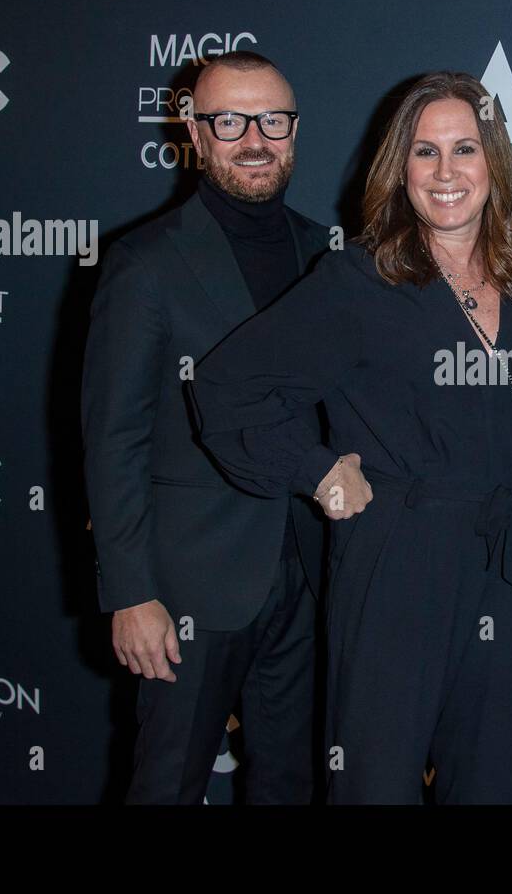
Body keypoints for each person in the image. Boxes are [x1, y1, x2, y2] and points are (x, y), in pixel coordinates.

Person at [190, 71, 512, 804]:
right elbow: (226, 388)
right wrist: (315, 469)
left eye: (465, 149)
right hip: (399, 567)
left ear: (495, 163)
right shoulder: (360, 282)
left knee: (489, 785)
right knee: (374, 784)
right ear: (399, 170)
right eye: (424, 152)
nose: (445, 172)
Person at [82, 50, 331, 804]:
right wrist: (131, 592)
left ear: (295, 129)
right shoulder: (145, 264)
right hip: (191, 586)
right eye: (230, 120)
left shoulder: (328, 253)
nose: (254, 137)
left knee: (289, 782)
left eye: (273, 119)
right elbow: (112, 438)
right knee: (168, 783)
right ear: (193, 130)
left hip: (311, 573)